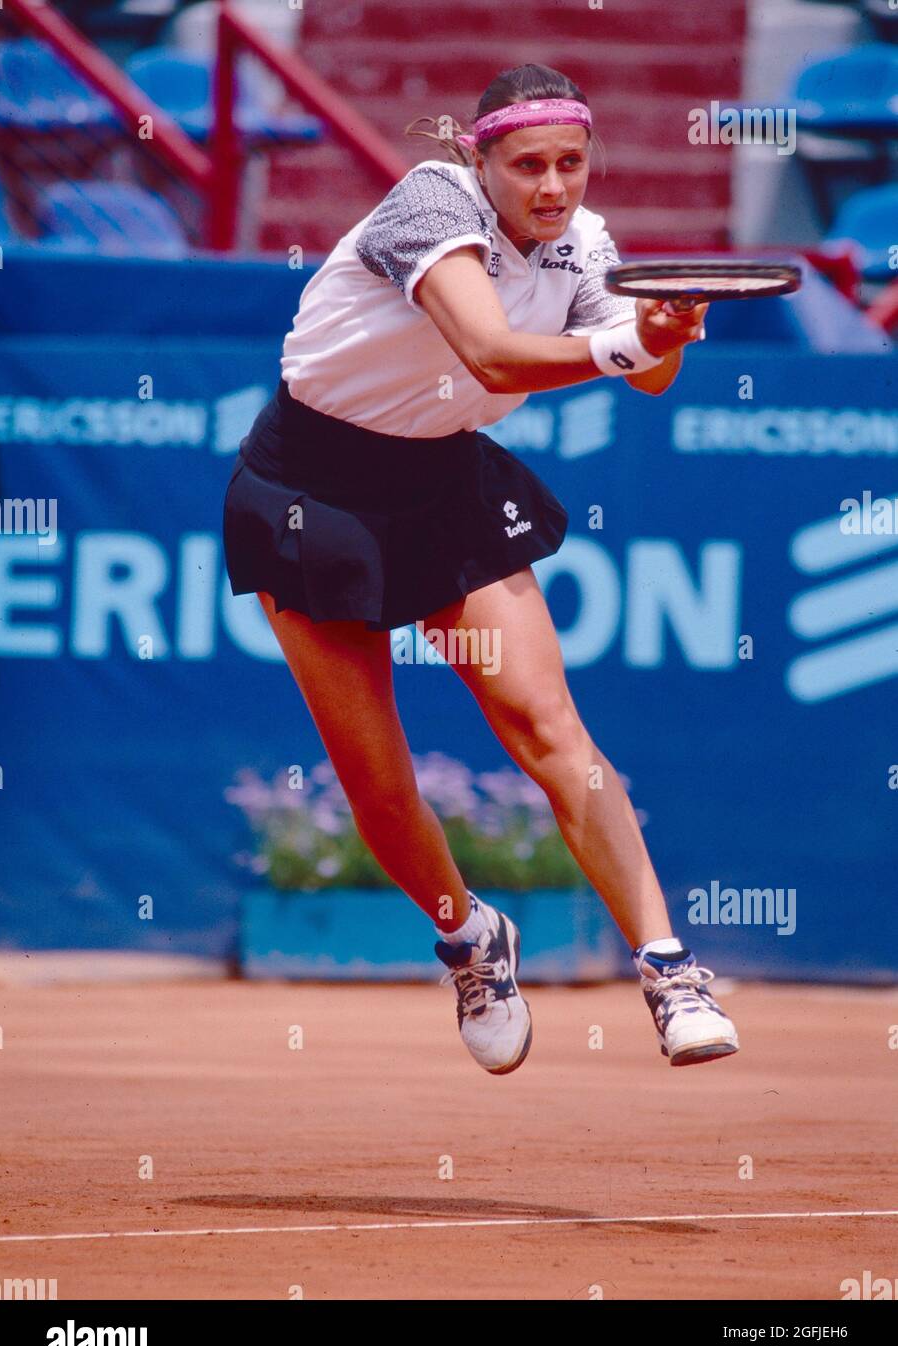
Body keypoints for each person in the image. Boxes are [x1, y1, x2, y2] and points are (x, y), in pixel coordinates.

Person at [223, 63, 739, 1076]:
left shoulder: (585, 246)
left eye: (571, 164)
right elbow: (493, 355)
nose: (553, 186)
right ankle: (469, 938)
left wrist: (662, 335)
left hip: (445, 484)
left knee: (549, 729)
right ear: (480, 158)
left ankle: (669, 968)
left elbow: (648, 376)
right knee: (376, 786)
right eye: (530, 164)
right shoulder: (427, 204)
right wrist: (626, 341)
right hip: (309, 497)